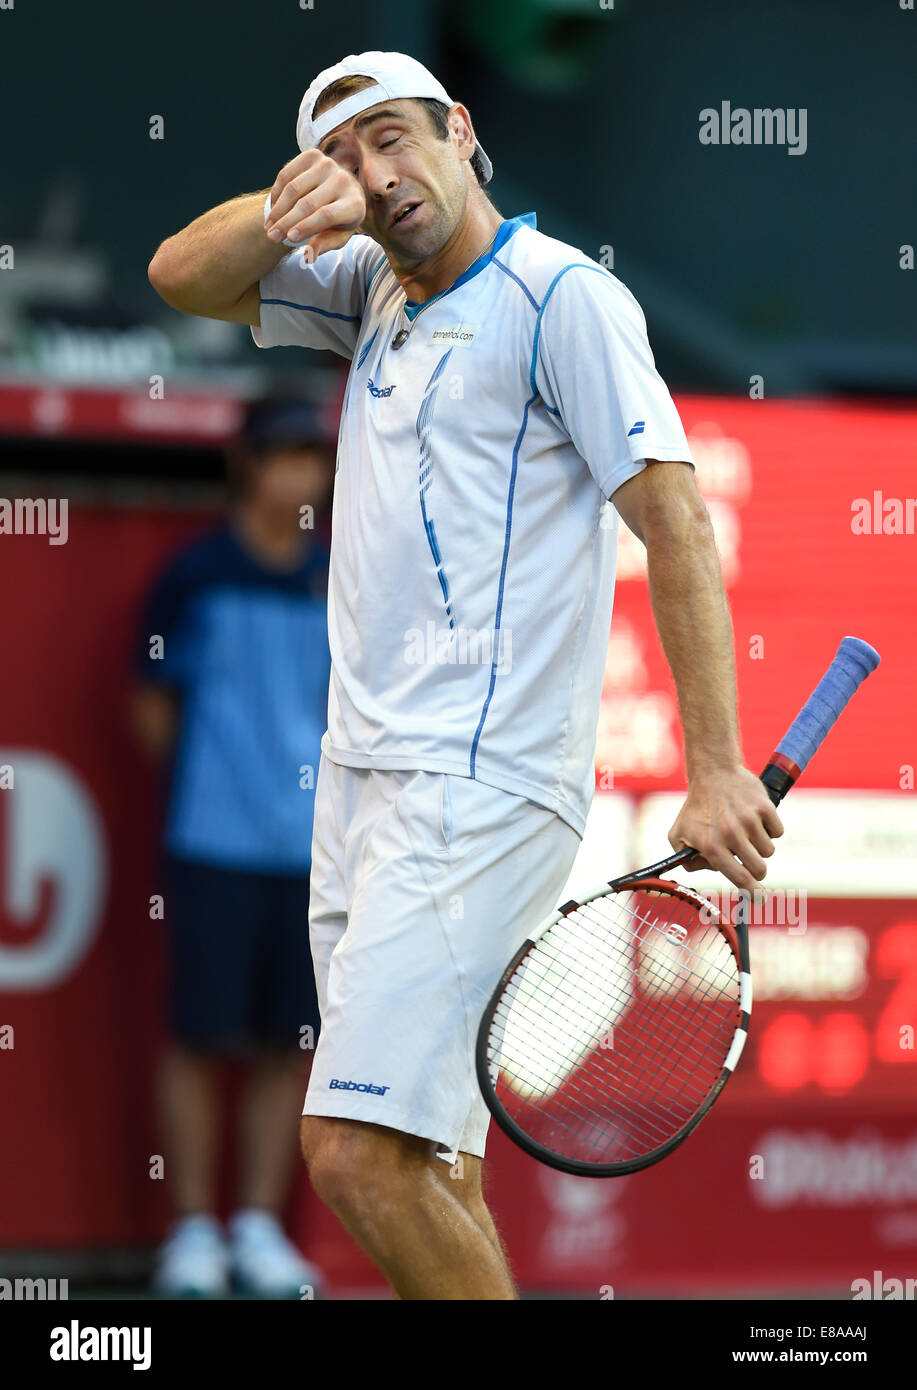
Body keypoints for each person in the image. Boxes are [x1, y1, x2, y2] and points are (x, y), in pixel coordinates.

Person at [147, 51, 784, 1300]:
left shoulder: (563, 301)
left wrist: (711, 766)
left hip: (478, 786)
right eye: (344, 158)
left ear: (460, 129)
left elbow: (673, 523)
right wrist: (292, 207)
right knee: (424, 1165)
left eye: (393, 139)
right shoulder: (367, 289)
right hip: (360, 786)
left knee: (351, 1154)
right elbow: (181, 276)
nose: (378, 178)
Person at [132, 396, 333, 1297]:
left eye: (314, 458)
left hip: (310, 860)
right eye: (284, 456)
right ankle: (190, 1238)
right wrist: (227, 787)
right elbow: (151, 711)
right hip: (209, 850)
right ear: (248, 466)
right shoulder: (193, 578)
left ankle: (255, 1228)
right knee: (198, 1037)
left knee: (284, 1047)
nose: (303, 475)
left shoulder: (343, 578)